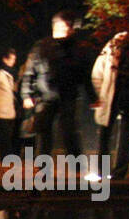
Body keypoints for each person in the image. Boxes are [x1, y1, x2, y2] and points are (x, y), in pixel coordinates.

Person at [20, 10, 86, 158]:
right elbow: (30, 72)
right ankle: (44, 172)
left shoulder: (74, 48)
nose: (69, 29)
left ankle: (76, 171)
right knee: (45, 136)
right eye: (66, 26)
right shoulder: (42, 46)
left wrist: (92, 95)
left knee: (70, 135)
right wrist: (26, 95)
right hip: (46, 98)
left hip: (67, 96)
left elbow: (83, 72)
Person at [91, 30, 129, 180]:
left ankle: (118, 171)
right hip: (113, 94)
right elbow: (98, 72)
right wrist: (102, 93)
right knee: (107, 133)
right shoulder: (114, 45)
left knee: (124, 134)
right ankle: (106, 170)